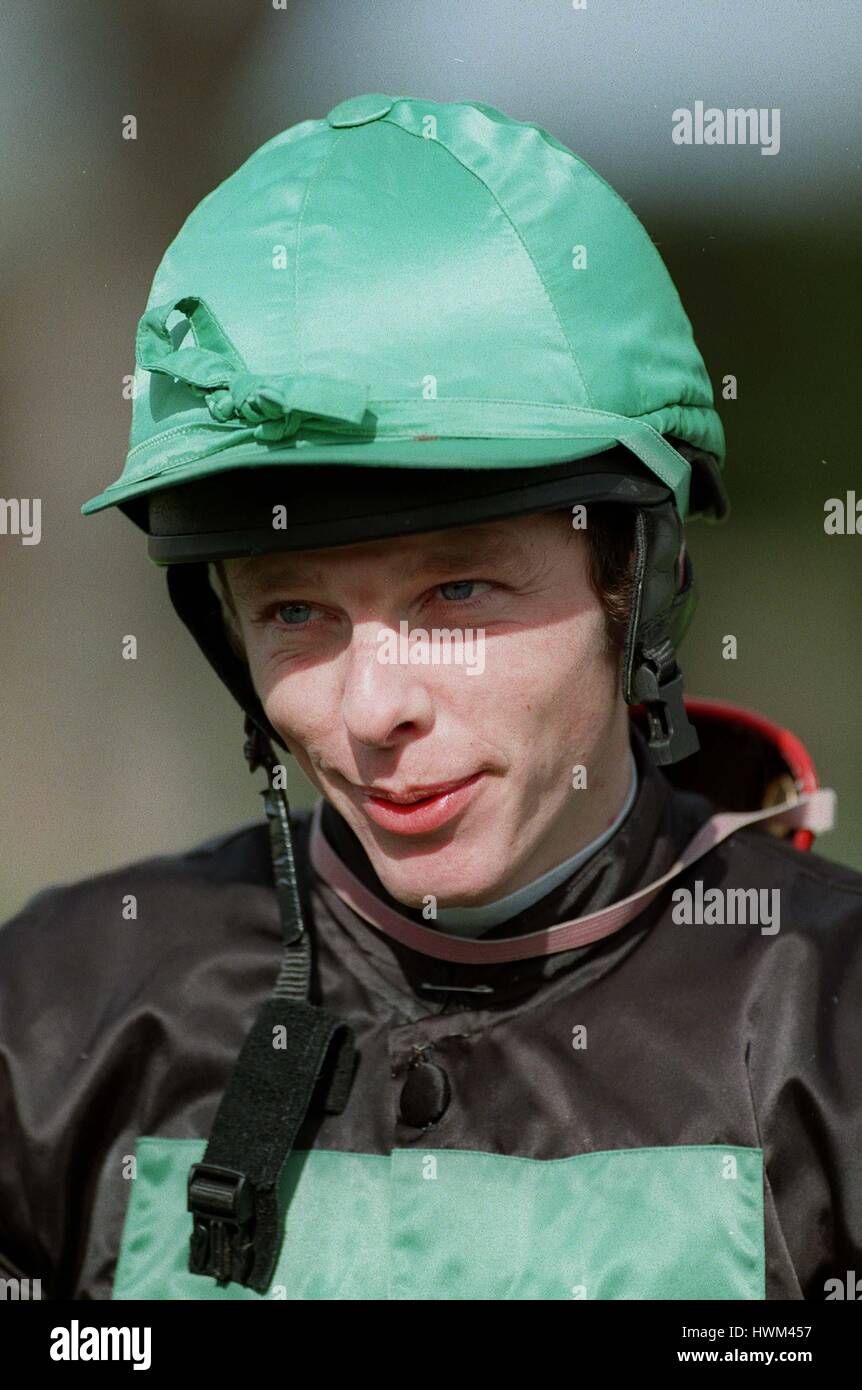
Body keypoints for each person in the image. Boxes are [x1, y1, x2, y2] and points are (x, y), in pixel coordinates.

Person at [1, 93, 859, 1302]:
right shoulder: (50, 1018)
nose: (370, 707)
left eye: (456, 591)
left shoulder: (833, 1026)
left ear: (636, 583)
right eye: (295, 611)